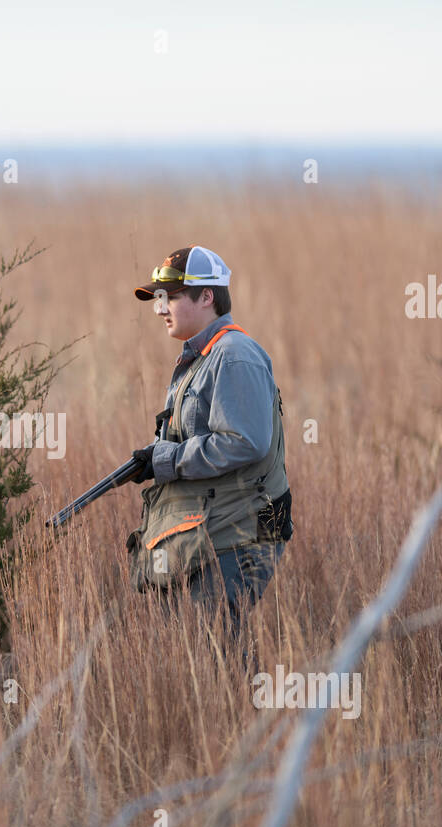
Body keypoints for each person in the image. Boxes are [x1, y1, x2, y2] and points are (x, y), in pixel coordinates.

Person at [126, 245, 293, 656]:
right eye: (158, 300)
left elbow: (244, 442)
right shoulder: (203, 357)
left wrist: (165, 459)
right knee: (202, 655)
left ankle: (254, 719)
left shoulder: (233, 356)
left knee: (216, 652)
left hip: (241, 531)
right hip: (214, 531)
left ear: (207, 297)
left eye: (170, 297)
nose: (160, 308)